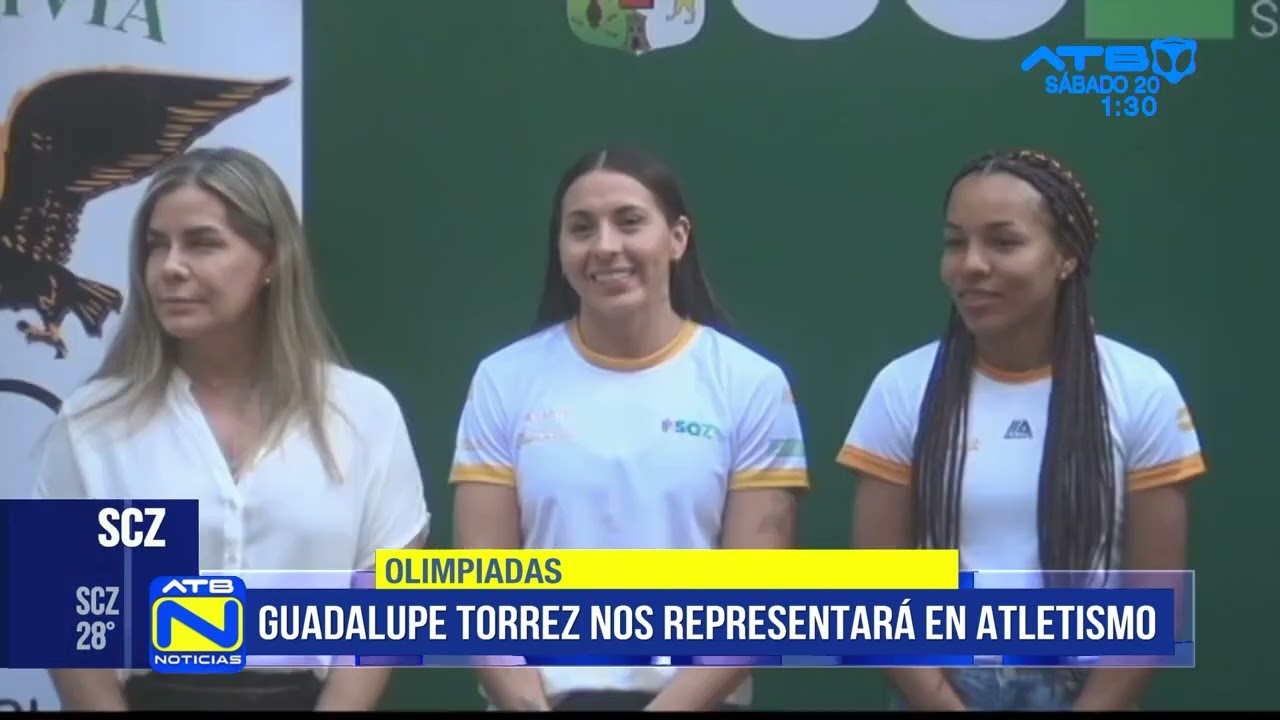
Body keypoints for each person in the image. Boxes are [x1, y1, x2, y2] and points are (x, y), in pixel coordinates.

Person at [33, 147, 430, 711]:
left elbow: (390, 601)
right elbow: (62, 611)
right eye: (155, 246)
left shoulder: (362, 412)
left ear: (272, 259)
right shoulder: (93, 422)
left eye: (202, 242)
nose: (170, 266)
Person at [838, 149, 1206, 712]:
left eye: (1003, 242)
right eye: (955, 242)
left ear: (1064, 257)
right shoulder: (903, 387)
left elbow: (1160, 601)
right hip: (945, 689)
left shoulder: (1140, 388)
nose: (971, 264)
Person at [449, 144, 810, 712]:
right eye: (581, 228)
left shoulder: (752, 384)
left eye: (630, 221)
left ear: (678, 238)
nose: (605, 247)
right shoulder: (503, 379)